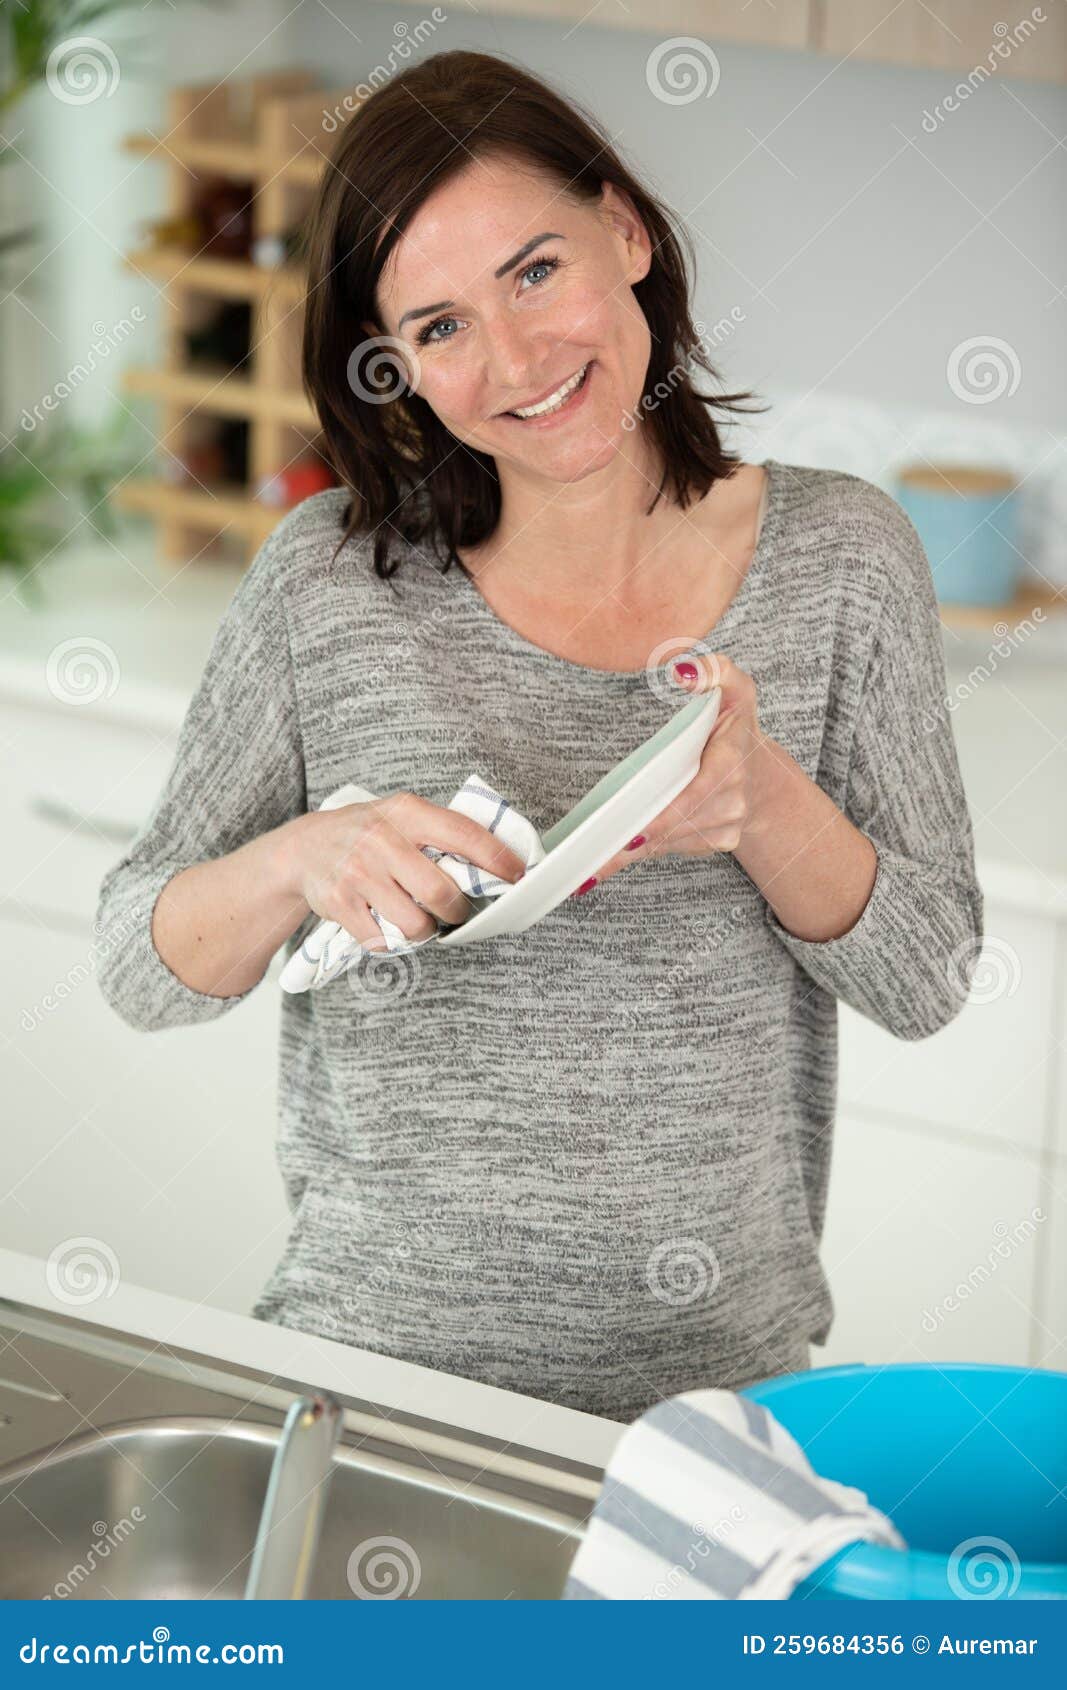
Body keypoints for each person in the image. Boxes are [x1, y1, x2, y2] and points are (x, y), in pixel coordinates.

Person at [96, 50, 982, 1422]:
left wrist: (761, 805)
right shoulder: (326, 581)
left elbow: (932, 972)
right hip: (365, 1382)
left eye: (536, 271)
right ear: (392, 370)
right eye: (439, 328)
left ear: (625, 232)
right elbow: (138, 959)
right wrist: (302, 861)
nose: (516, 360)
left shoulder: (842, 558)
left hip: (710, 1410)